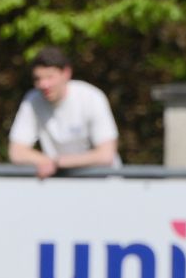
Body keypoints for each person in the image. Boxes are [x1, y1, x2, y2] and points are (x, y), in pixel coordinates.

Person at [8, 46, 120, 179]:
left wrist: (57, 163)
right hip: (64, 185)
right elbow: (16, 152)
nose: (44, 84)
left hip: (105, 185)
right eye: (38, 79)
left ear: (66, 73)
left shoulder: (91, 97)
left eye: (50, 77)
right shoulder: (32, 100)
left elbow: (105, 155)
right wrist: (49, 163)